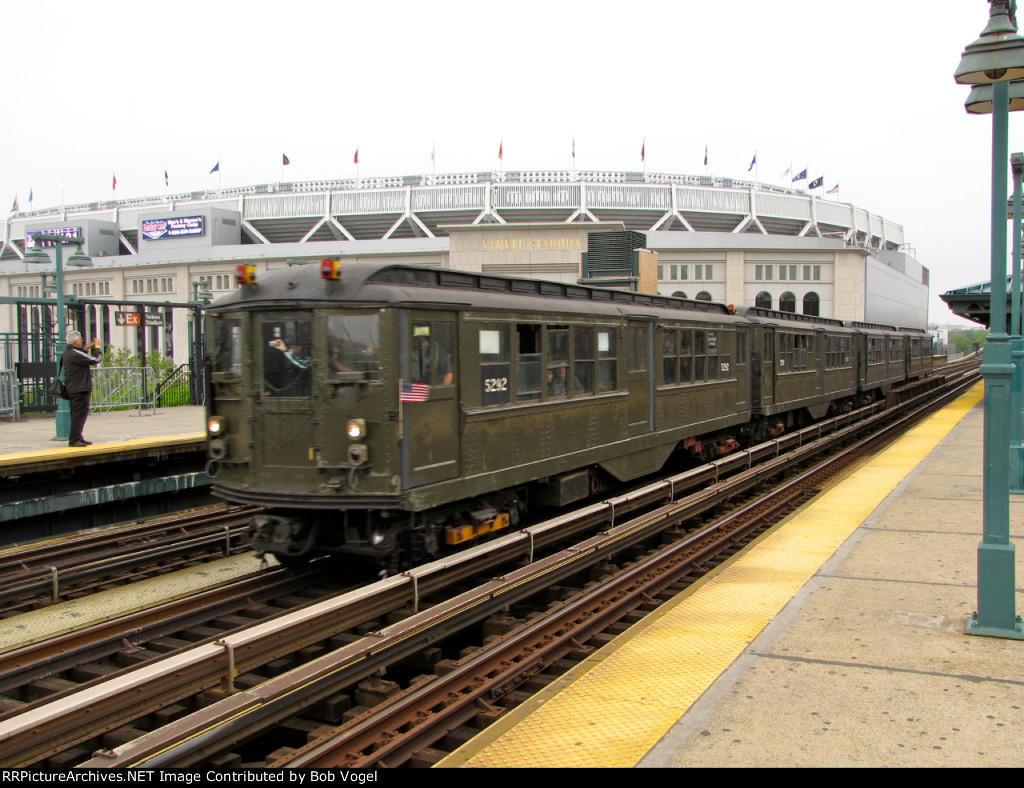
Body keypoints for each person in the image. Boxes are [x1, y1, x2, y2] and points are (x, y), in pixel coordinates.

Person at [62, 330, 102, 447]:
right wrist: (98, 347)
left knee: (78, 414)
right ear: (76, 342)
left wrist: (88, 347)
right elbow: (96, 360)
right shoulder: (74, 353)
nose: (82, 340)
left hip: (75, 388)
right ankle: (74, 440)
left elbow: (82, 354)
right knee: (79, 415)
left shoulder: (69, 352)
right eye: (80, 339)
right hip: (79, 389)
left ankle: (78, 437)